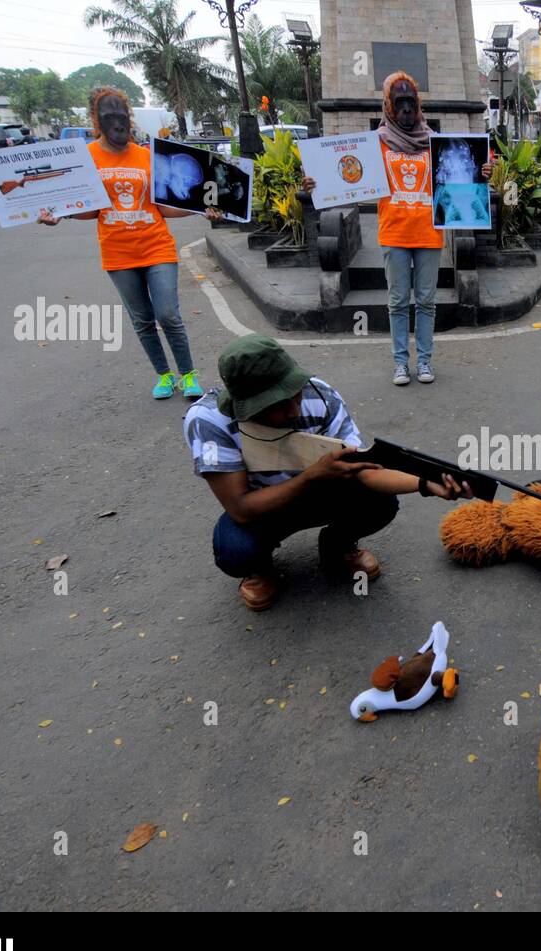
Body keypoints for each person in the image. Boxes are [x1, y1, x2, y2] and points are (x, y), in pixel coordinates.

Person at [184, 334, 474, 611]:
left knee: (381, 503)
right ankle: (260, 569)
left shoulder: (320, 395)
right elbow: (241, 509)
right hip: (262, 509)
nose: (296, 410)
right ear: (249, 407)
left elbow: (366, 471)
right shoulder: (209, 421)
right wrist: (311, 475)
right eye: (280, 404)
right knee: (235, 551)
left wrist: (426, 483)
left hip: (324, 493)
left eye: (295, 393)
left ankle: (337, 547)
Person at [302, 71, 492, 388]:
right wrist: (316, 183)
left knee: (427, 301)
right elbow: (346, 175)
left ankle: (426, 361)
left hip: (429, 234)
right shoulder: (375, 144)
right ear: (388, 107)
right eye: (399, 104)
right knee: (398, 302)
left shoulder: (435, 143)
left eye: (411, 103)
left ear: (418, 106)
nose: (406, 111)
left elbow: (460, 175)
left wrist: (482, 172)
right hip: (394, 235)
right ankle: (401, 363)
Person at [37, 87, 215, 400]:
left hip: (156, 246)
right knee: (142, 320)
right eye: (109, 115)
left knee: (168, 314)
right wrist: (60, 214)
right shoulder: (87, 158)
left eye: (122, 115)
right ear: (96, 119)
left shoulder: (147, 156)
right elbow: (92, 210)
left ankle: (188, 374)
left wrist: (202, 209)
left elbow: (161, 207)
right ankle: (164, 375)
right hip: (118, 253)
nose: (118, 121)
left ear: (129, 118)